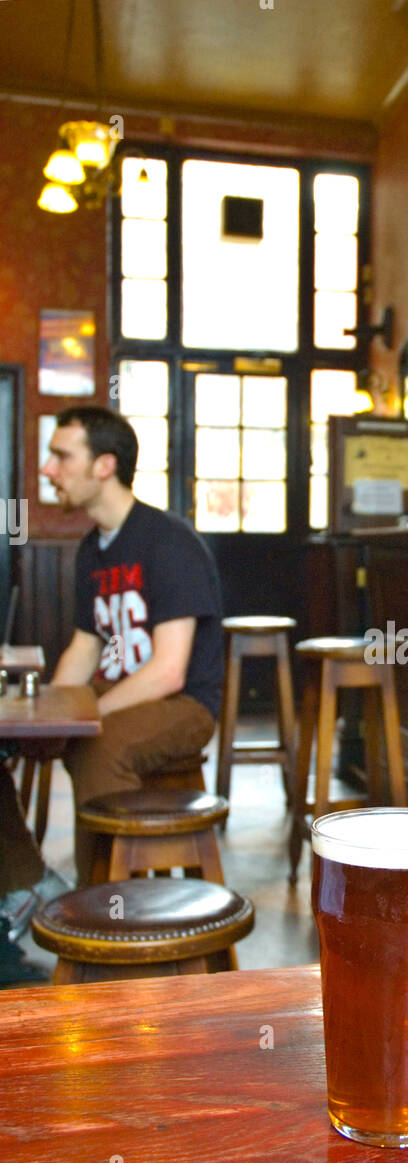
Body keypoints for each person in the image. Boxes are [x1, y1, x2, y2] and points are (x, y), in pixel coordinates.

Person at [0, 406, 224, 983]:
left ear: (104, 465)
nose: (49, 469)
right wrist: (38, 712)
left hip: (183, 708)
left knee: (96, 746)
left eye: (61, 456)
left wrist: (82, 718)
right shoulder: (93, 549)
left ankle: (108, 935)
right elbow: (84, 646)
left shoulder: (168, 541)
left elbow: (169, 671)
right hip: (126, 694)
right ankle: (27, 883)